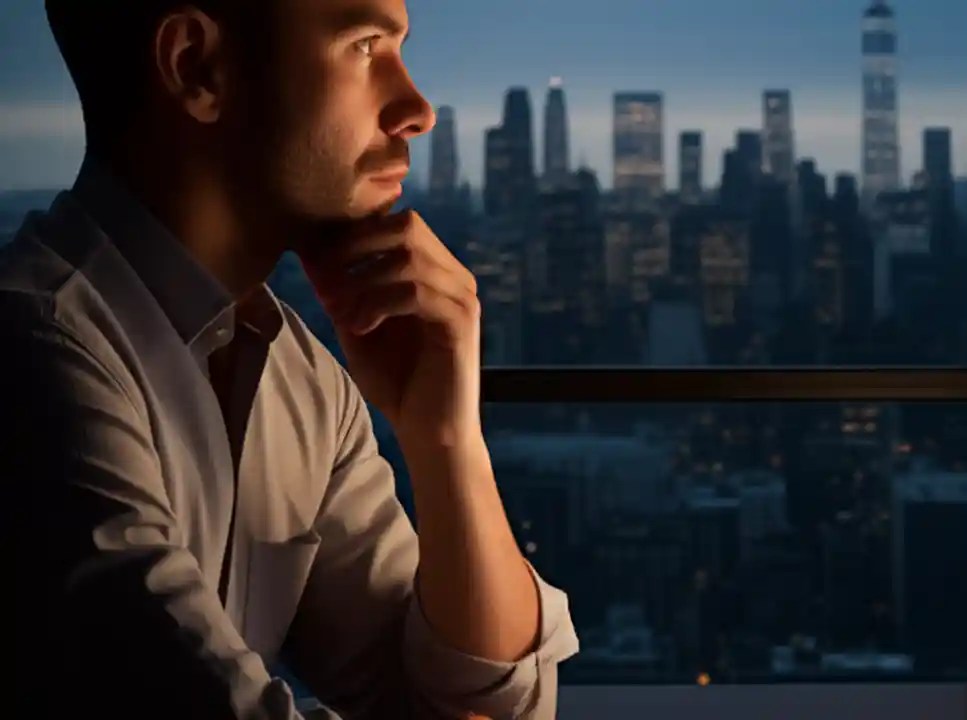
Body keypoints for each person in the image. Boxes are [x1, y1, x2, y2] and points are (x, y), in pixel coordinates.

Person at [0, 0, 578, 717]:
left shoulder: (300, 380)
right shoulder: (32, 360)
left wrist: (446, 440)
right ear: (196, 67)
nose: (418, 108)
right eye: (366, 47)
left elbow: (490, 706)